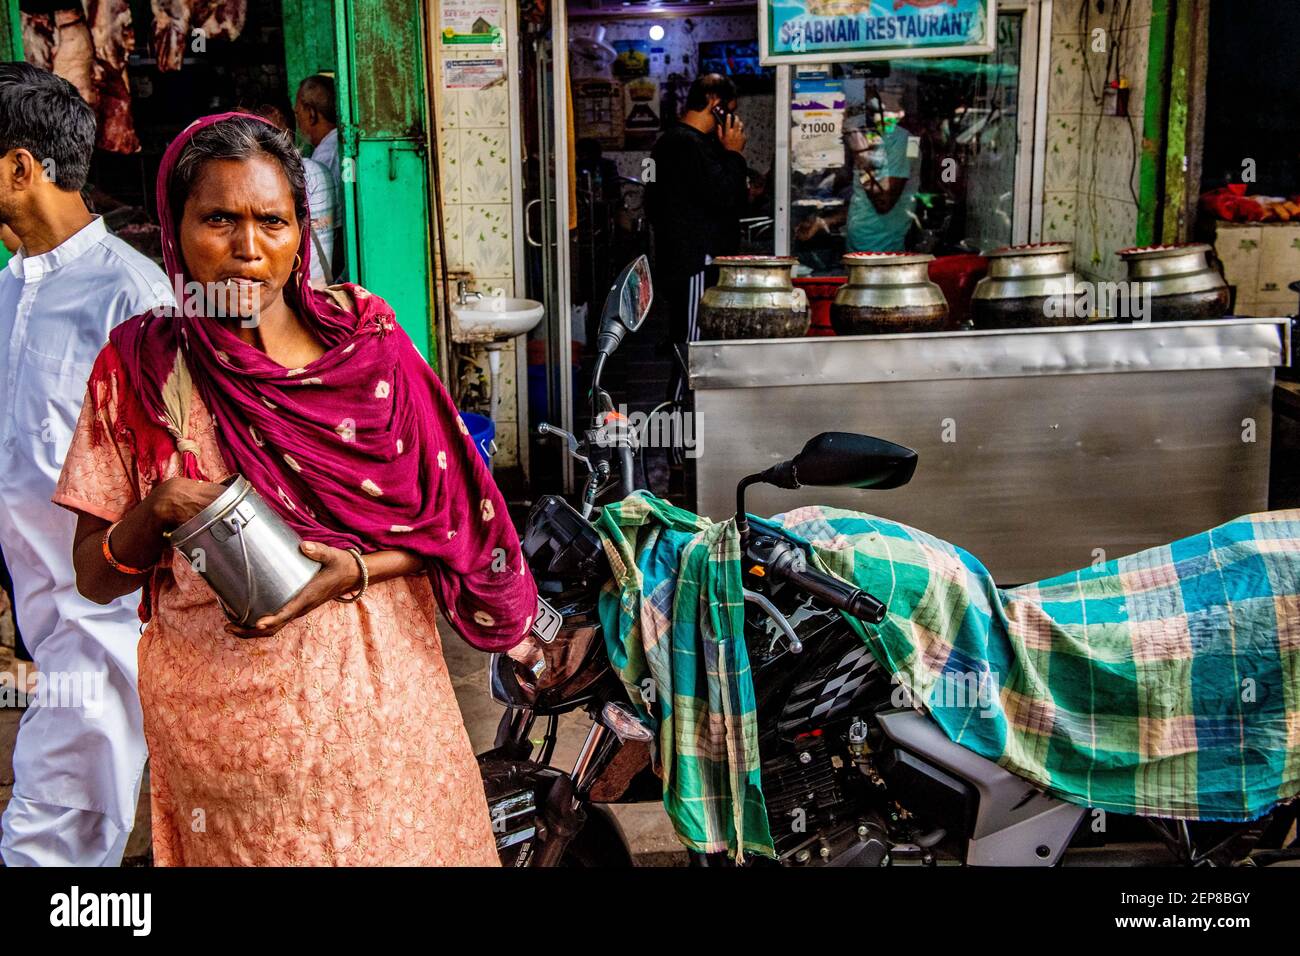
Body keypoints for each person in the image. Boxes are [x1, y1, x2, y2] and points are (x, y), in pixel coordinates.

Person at [54, 113, 537, 865]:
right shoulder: (139, 368)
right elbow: (93, 576)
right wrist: (162, 509)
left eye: (272, 222)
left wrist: (357, 570)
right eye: (218, 219)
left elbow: (455, 523)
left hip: (388, 726)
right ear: (173, 228)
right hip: (229, 751)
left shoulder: (365, 340)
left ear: (300, 232)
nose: (249, 250)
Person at [0, 63, 173, 866]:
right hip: (38, 615)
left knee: (51, 839)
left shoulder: (132, 299)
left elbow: (175, 475)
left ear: (20, 169)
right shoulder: (10, 290)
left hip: (103, 624)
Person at [645, 73, 749, 351]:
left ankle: (684, 393)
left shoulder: (663, 143)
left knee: (687, 330)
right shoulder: (691, 146)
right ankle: (684, 395)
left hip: (677, 256)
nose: (730, 117)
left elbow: (650, 193)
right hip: (695, 261)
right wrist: (735, 154)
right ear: (715, 102)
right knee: (694, 338)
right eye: (730, 109)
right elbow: (726, 196)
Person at [796, 94, 921, 253]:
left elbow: (883, 202)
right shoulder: (869, 144)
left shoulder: (902, 142)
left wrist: (861, 157)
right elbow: (862, 202)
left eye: (845, 129)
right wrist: (826, 221)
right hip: (858, 248)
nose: (843, 135)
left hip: (884, 252)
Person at [256, 101, 339, 286]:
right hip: (320, 286)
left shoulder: (267, 180)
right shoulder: (320, 171)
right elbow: (338, 238)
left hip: (290, 292)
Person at [294, 74, 340, 183]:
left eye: (298, 113)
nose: (298, 121)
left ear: (311, 114)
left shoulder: (325, 157)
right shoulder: (338, 145)